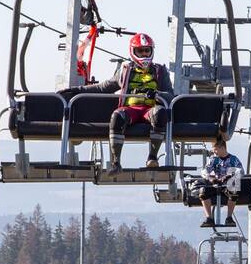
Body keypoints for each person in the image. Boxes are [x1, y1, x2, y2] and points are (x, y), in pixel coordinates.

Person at [60, 33, 171, 173]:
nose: (143, 55)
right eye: (140, 51)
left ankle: (152, 158)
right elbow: (103, 87)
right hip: (131, 109)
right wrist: (77, 90)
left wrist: (157, 94)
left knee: (159, 113)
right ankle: (116, 162)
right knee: (117, 116)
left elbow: (170, 96)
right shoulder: (125, 71)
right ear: (133, 52)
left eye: (146, 51)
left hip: (149, 109)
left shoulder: (160, 71)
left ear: (151, 51)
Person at [202, 136, 243, 227]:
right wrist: (210, 178)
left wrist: (228, 176)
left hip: (228, 184)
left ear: (222, 148)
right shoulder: (214, 159)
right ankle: (209, 218)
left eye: (216, 149)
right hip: (216, 184)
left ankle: (229, 217)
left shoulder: (233, 159)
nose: (214, 152)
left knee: (234, 190)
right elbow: (205, 170)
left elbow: (240, 171)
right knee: (203, 192)